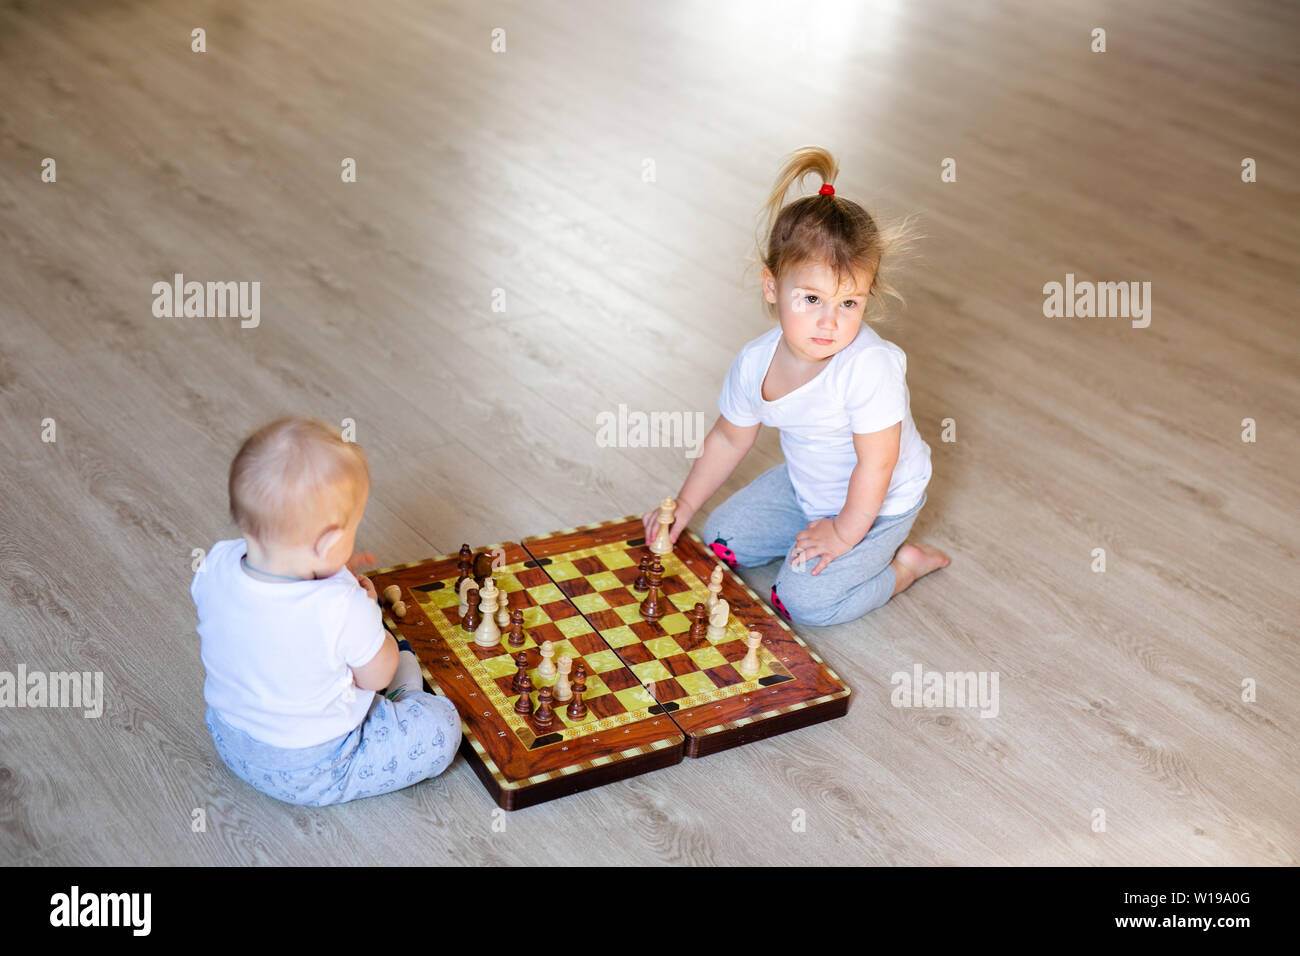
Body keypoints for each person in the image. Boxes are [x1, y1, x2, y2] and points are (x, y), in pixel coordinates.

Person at [644, 147, 949, 627]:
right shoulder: (755, 363)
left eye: (849, 303)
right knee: (720, 539)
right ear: (772, 287)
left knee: (801, 603)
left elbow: (879, 464)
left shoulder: (869, 367)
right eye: (811, 299)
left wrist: (844, 536)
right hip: (808, 485)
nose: (830, 322)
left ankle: (902, 567)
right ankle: (812, 541)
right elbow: (729, 437)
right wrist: (684, 504)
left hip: (880, 501)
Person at [192, 417, 460, 805]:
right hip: (317, 769)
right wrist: (365, 612)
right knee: (442, 728)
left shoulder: (215, 563)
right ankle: (410, 697)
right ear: (329, 542)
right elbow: (375, 677)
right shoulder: (342, 605)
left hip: (232, 741)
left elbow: (263, 624)